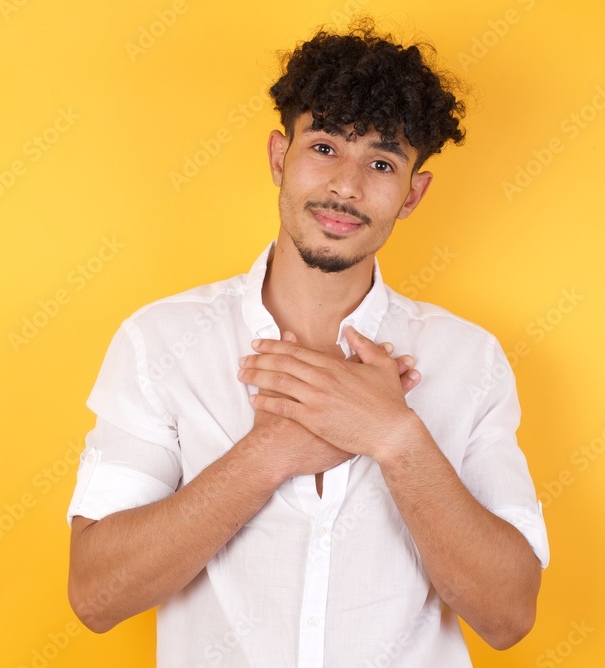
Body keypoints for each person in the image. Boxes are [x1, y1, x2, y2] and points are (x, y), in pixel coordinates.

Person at [67, 21, 548, 667]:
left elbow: (508, 615)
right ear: (278, 157)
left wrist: (395, 437)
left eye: (382, 163)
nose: (347, 186)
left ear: (413, 193)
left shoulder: (471, 359)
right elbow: (97, 595)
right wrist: (272, 452)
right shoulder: (161, 341)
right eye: (324, 148)